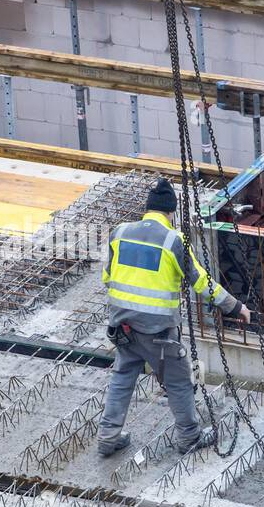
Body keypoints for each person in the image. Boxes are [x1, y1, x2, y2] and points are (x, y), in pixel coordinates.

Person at [97, 178, 251, 457]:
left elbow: (107, 278)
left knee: (123, 375)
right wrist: (234, 306)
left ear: (147, 209)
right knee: (179, 380)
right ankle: (189, 436)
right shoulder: (173, 240)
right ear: (171, 213)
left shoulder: (119, 233)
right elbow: (201, 283)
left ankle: (108, 437)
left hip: (122, 326)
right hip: (158, 331)